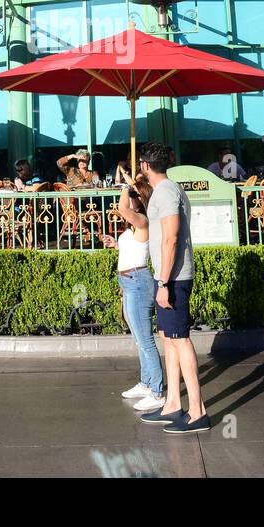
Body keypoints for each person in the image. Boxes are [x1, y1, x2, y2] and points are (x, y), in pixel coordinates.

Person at [137, 142, 208, 434]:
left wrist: (164, 282)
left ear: (144, 165)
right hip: (166, 275)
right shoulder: (164, 191)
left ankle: (198, 412)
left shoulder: (166, 191)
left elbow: (171, 237)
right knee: (167, 337)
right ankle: (172, 405)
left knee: (179, 339)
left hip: (174, 277)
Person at [102, 176, 164, 413]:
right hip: (129, 281)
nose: (131, 198)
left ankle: (157, 391)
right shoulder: (134, 226)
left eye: (135, 195)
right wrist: (114, 245)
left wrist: (126, 189)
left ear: (141, 199)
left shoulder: (143, 221)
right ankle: (147, 383)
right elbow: (132, 247)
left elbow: (121, 208)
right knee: (139, 338)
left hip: (138, 282)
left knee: (146, 340)